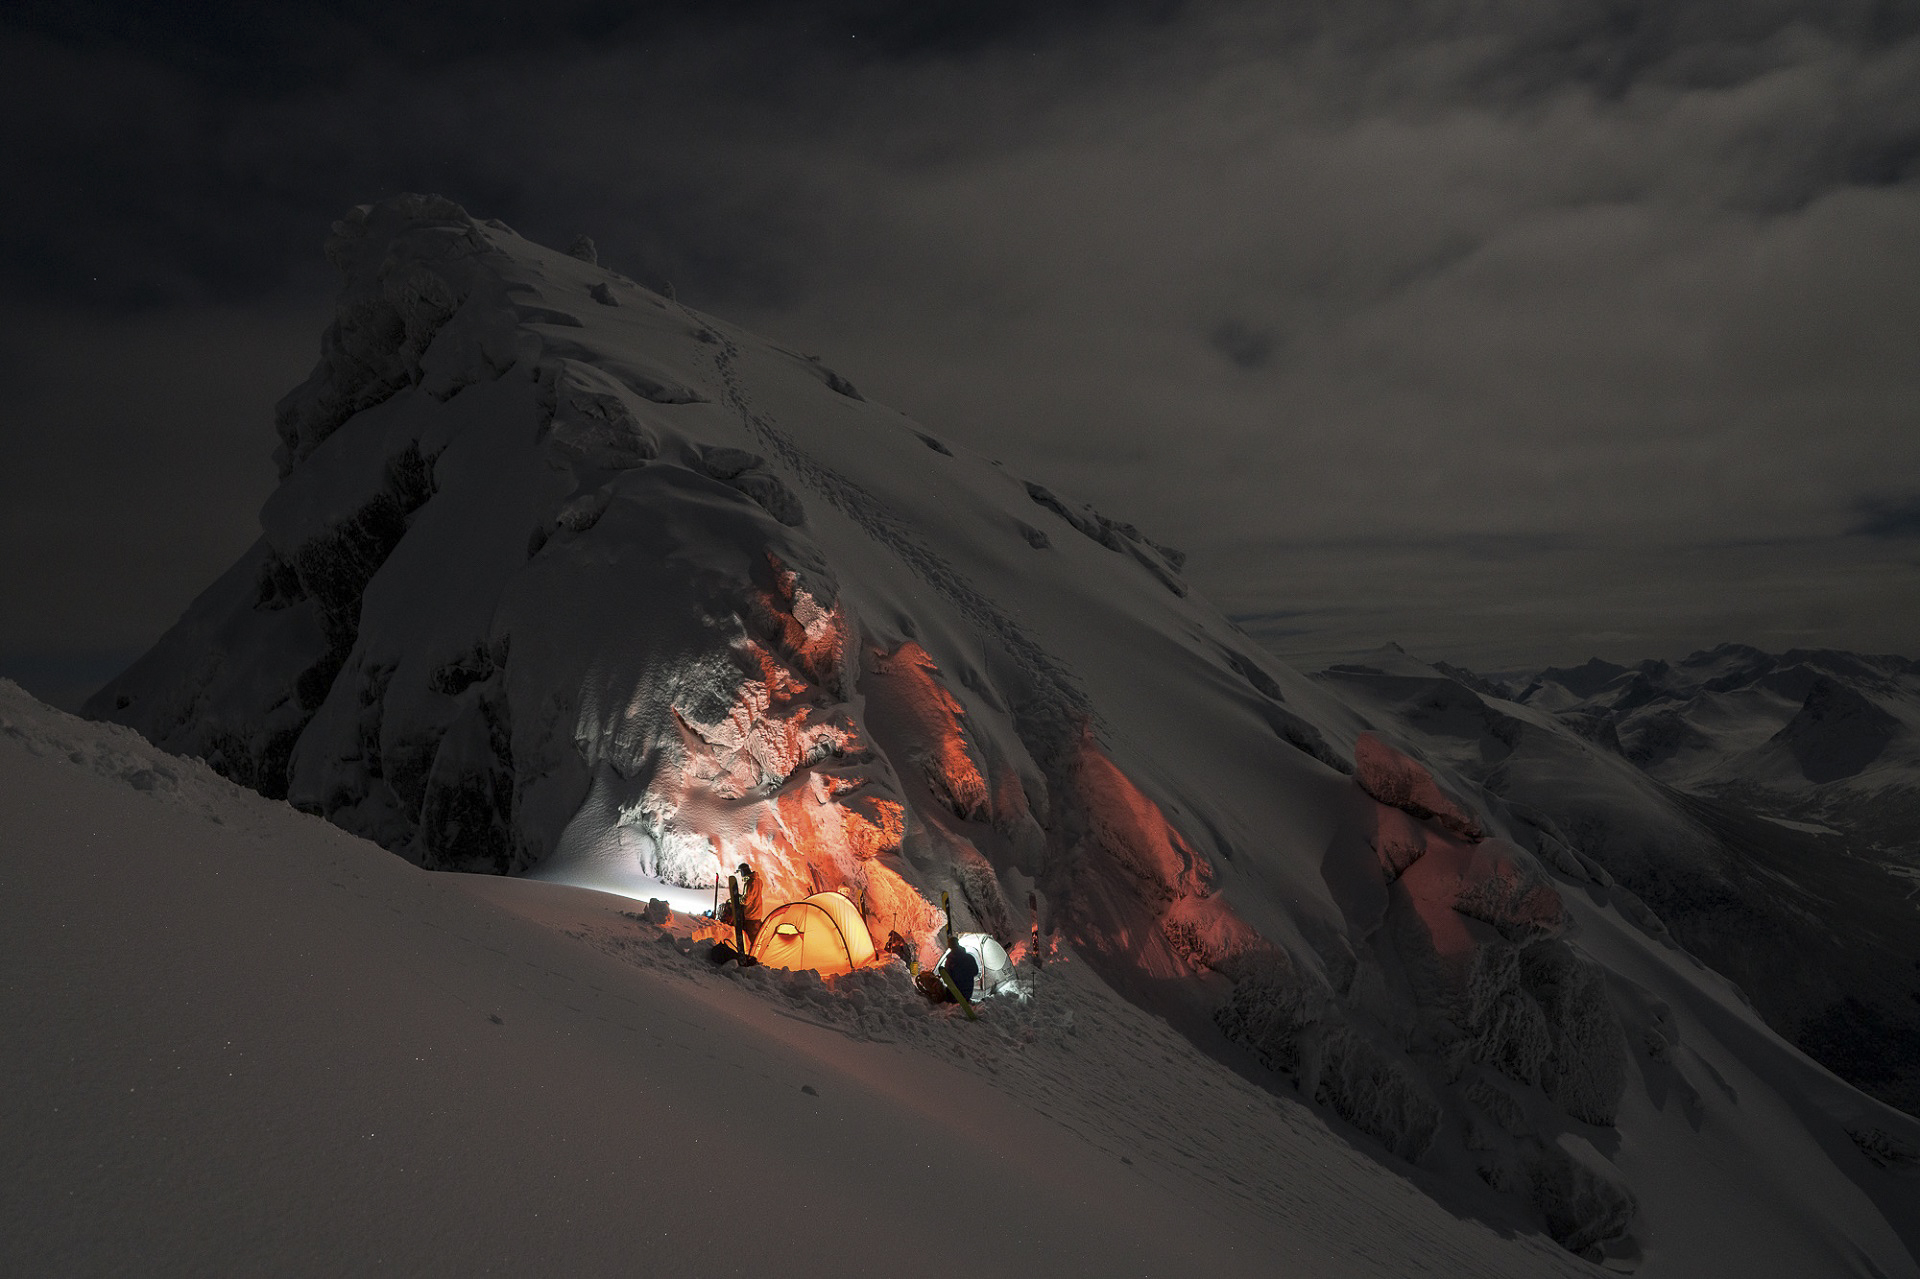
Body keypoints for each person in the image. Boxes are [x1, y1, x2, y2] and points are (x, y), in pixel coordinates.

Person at [942, 937, 980, 1002]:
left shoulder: (949, 961)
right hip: (968, 993)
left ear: (950, 947)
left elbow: (947, 978)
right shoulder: (969, 957)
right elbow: (975, 972)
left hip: (955, 994)